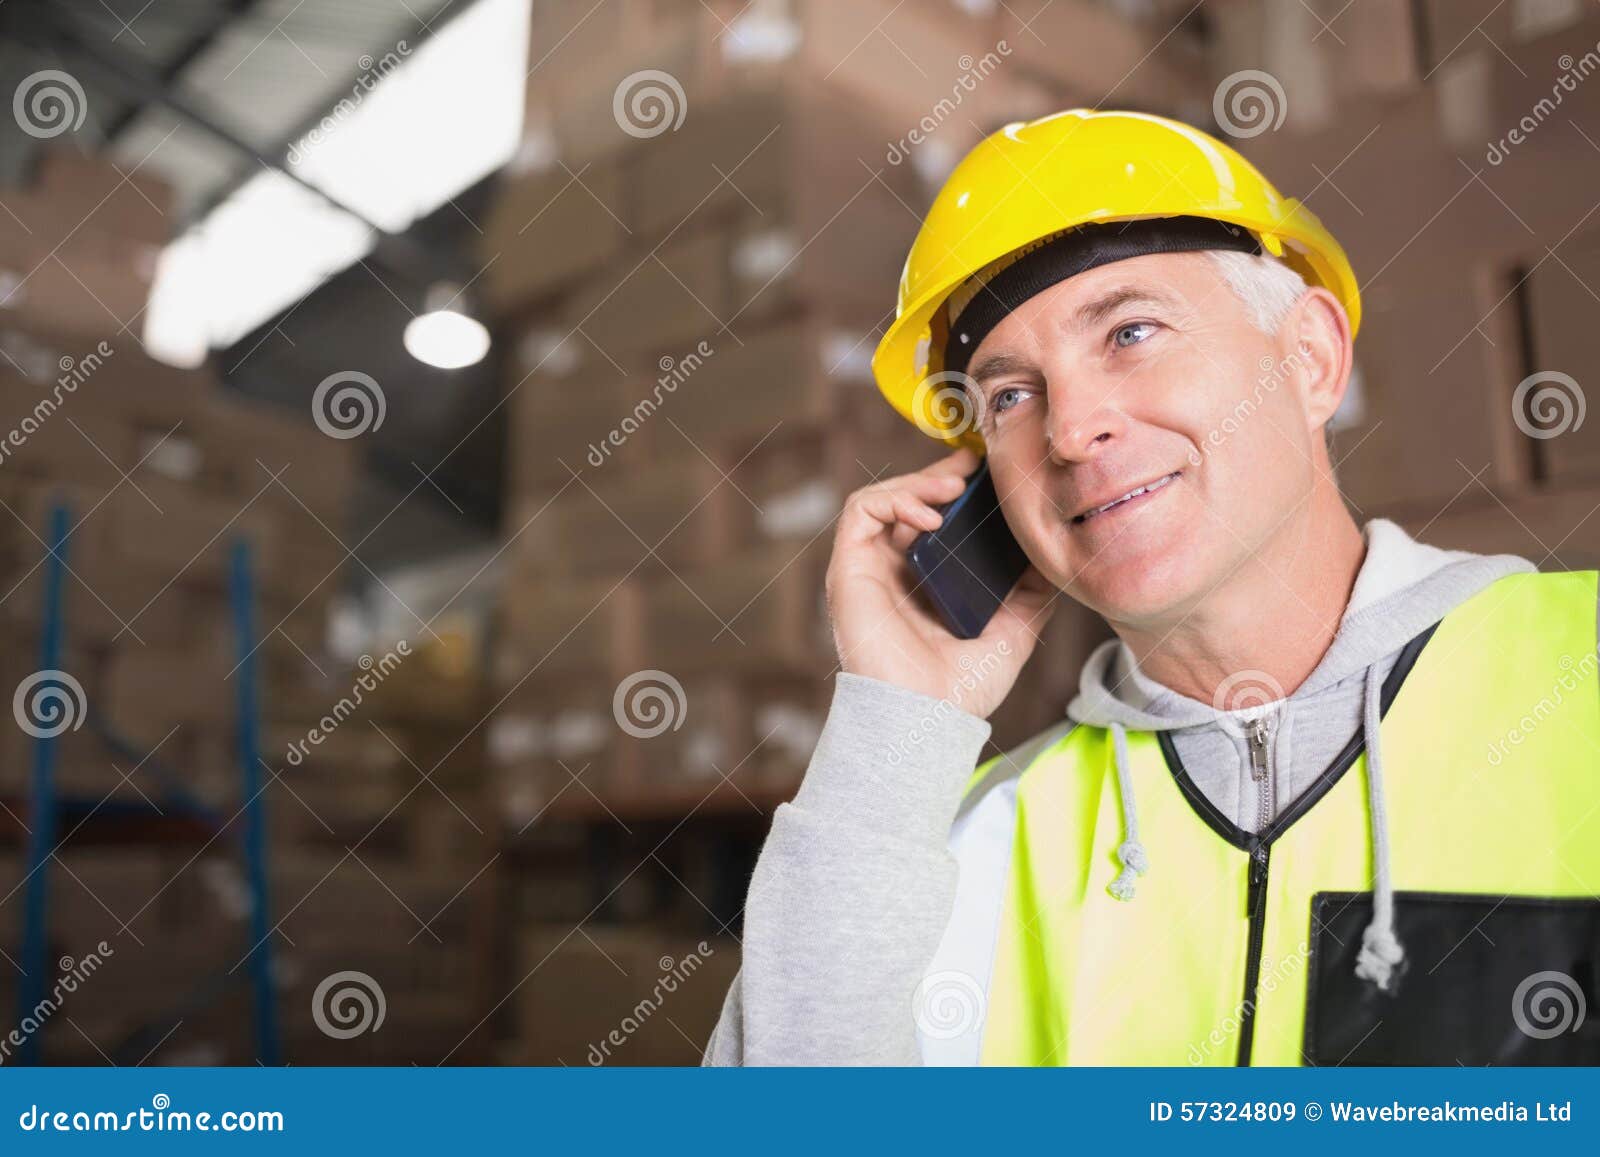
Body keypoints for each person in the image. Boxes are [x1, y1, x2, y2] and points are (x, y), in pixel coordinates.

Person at [701, 109, 1600, 1066]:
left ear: (1310, 359)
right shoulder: (970, 843)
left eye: (1132, 332)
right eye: (1008, 395)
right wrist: (896, 733)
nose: (1070, 429)